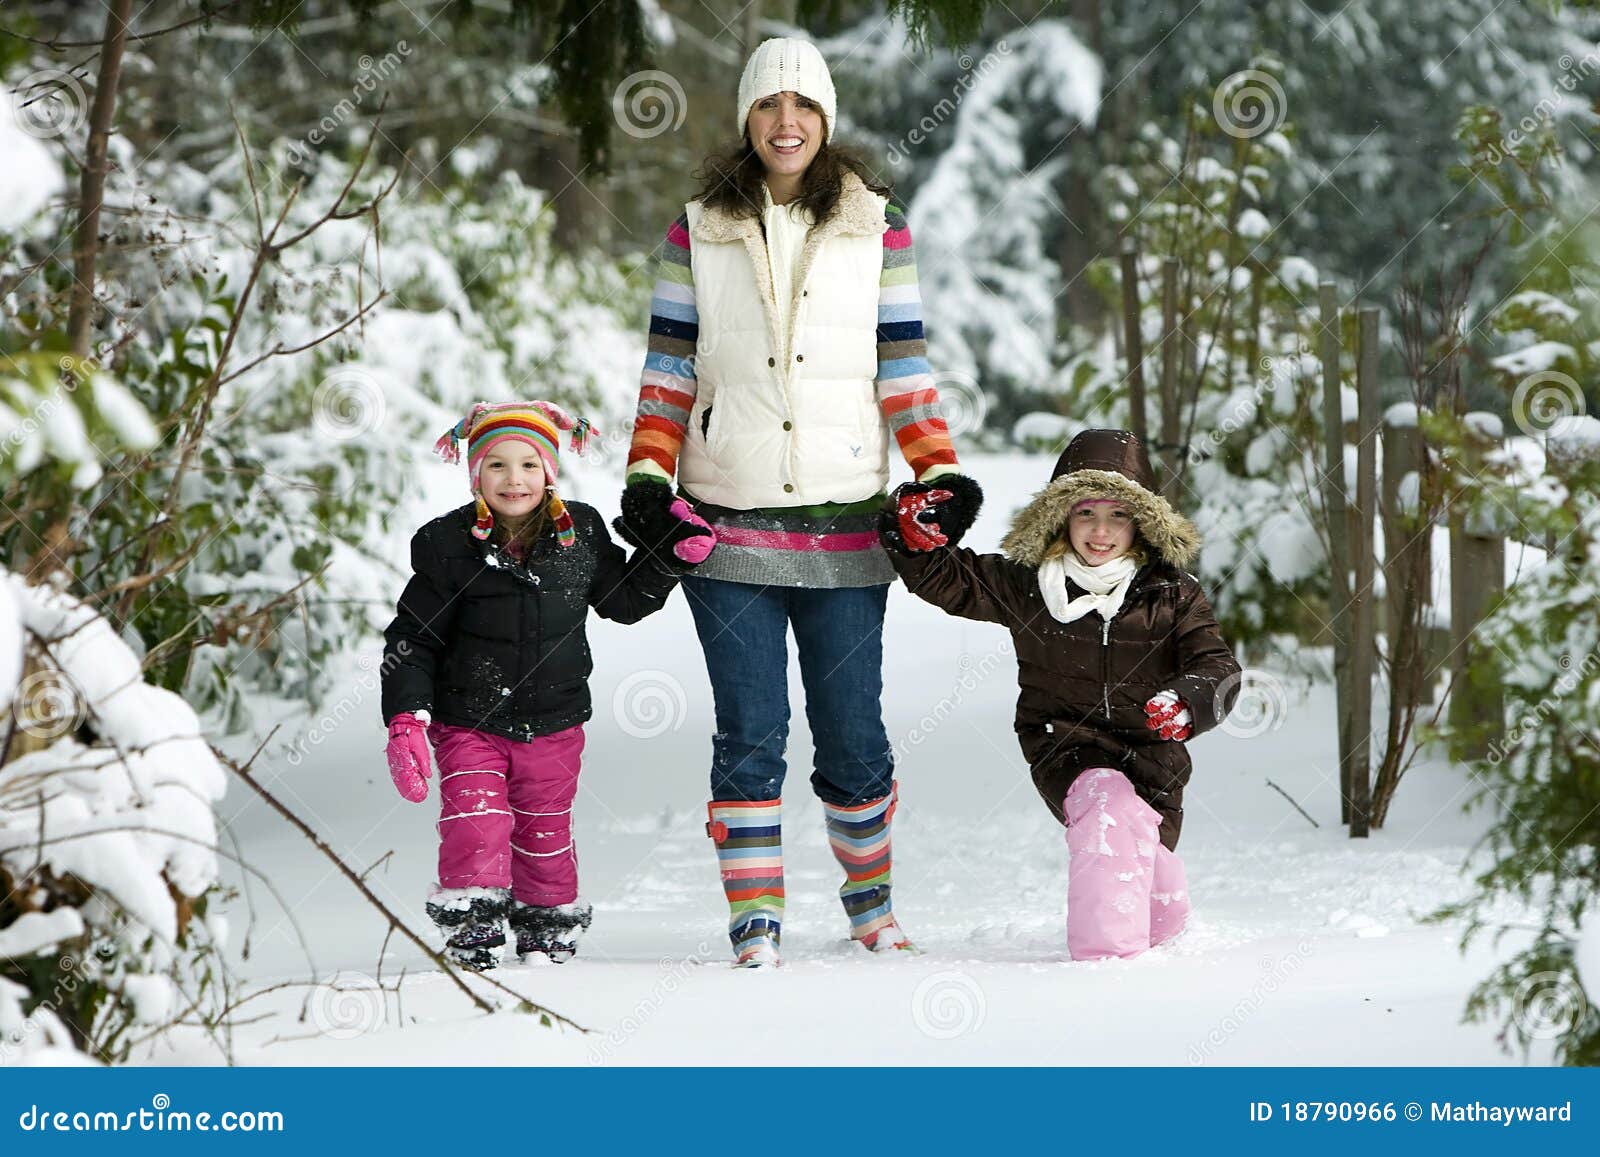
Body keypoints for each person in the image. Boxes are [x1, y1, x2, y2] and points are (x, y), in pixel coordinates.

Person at [619, 37, 981, 967]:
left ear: (826, 121)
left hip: (845, 518)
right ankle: (756, 919)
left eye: (804, 107)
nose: (788, 123)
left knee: (853, 726)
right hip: (725, 519)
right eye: (770, 106)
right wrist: (648, 482)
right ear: (747, 120)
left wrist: (935, 471)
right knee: (751, 727)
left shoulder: (877, 226)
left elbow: (903, 368)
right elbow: (667, 373)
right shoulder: (697, 227)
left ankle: (870, 904)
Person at [880, 428, 1241, 960]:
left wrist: (1188, 701)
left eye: (1118, 515)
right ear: (1060, 518)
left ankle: (1164, 916)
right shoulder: (1028, 584)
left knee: (1149, 864)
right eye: (1085, 513)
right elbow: (947, 577)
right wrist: (912, 535)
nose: (1101, 531)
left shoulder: (1172, 594)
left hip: (1154, 752)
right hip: (1065, 742)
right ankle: (1106, 961)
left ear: (1141, 522)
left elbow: (1217, 666)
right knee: (1107, 811)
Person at [380, 400, 710, 969]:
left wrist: (669, 559)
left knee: (544, 829)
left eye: (530, 465)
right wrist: (407, 715)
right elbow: (413, 637)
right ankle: (474, 928)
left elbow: (623, 602)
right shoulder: (448, 546)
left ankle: (547, 929)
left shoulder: (579, 533)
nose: (515, 479)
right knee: (476, 822)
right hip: (468, 719)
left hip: (555, 721)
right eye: (497, 465)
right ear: (475, 474)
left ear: (550, 471)